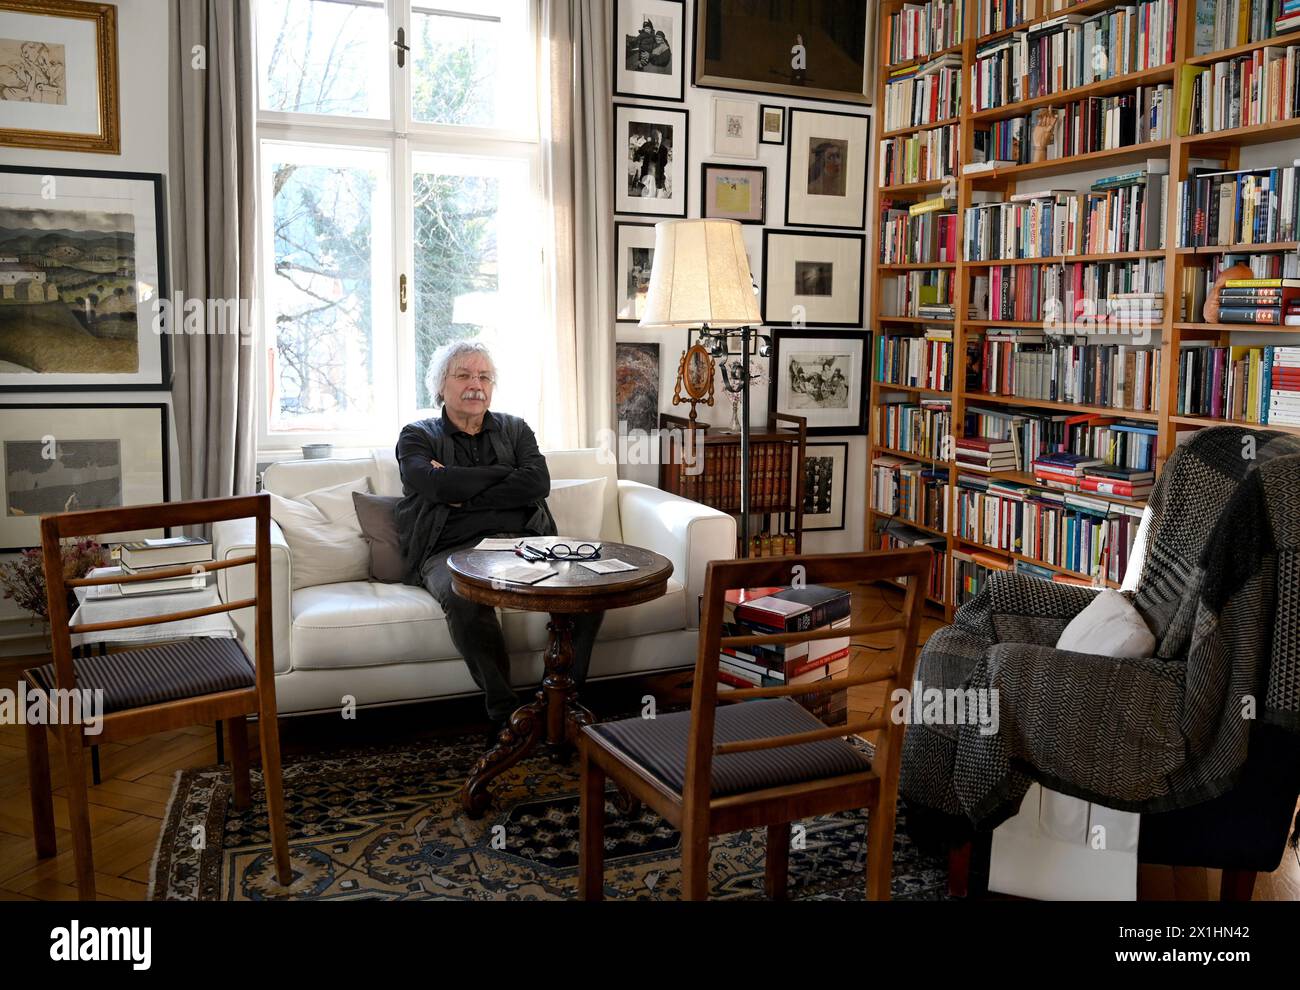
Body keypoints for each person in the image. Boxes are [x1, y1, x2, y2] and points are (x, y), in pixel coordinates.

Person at [394, 341, 604, 739]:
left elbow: (537, 482)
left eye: (484, 376)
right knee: (463, 598)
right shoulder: (416, 436)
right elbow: (431, 484)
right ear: (440, 386)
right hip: (450, 549)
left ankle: (559, 700)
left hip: (526, 543)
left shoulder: (515, 428)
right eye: (464, 375)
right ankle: (506, 711)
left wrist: (458, 486)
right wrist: (504, 475)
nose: (476, 385)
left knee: (589, 591)